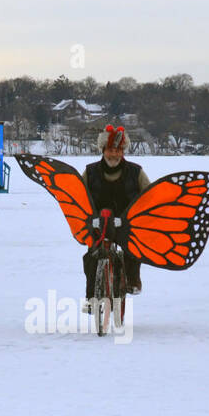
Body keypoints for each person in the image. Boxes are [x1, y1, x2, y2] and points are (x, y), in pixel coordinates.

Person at [82, 125, 149, 309]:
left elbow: (150, 196)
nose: (115, 154)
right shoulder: (90, 172)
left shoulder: (136, 172)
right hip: (98, 224)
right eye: (111, 150)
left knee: (133, 251)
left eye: (118, 150)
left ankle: (132, 281)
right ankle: (91, 298)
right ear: (103, 150)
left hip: (126, 224)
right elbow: (78, 196)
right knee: (91, 256)